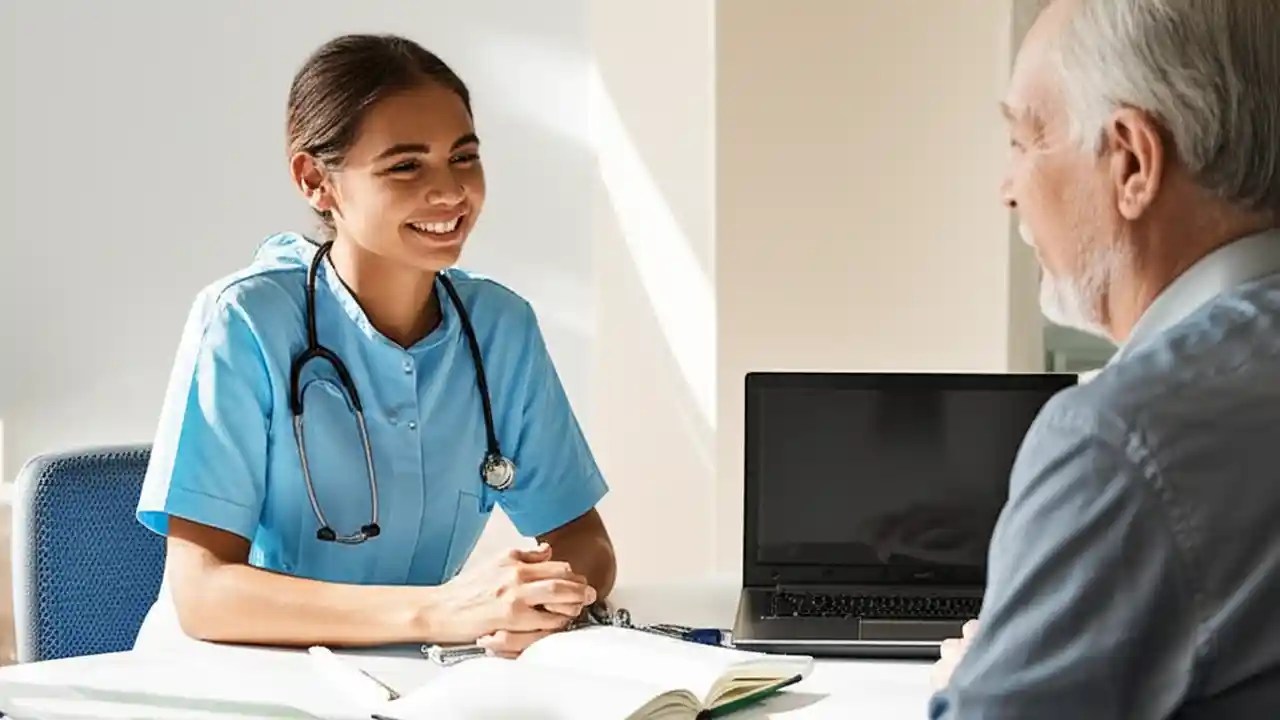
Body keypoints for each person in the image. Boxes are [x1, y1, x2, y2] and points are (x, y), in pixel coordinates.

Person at [134, 34, 616, 659]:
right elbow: (204, 593)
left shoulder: (501, 328)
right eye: (406, 166)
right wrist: (443, 609)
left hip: (421, 672)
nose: (450, 192)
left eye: (464, 158)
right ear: (315, 180)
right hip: (242, 672)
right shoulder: (244, 320)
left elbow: (585, 540)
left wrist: (544, 599)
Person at [928, 0, 1280, 717]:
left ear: (1131, 161)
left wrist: (972, 686)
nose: (1008, 188)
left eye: (1025, 141)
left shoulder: (1117, 439)